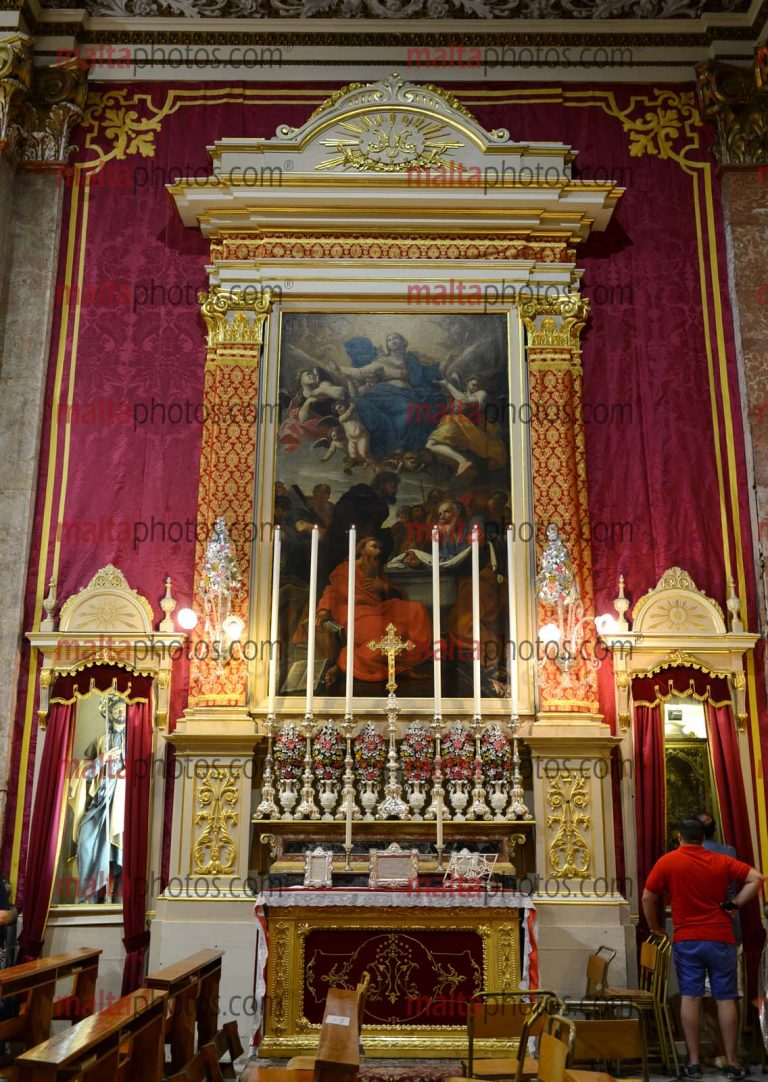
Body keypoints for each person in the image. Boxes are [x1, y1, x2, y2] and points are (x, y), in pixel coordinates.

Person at [642, 816, 763, 1080]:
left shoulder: (668, 861)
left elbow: (648, 896)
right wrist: (734, 904)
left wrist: (655, 928)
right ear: (703, 838)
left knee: (691, 998)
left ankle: (694, 1062)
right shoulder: (722, 860)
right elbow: (756, 878)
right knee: (725, 998)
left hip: (687, 939)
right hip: (721, 938)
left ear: (679, 837)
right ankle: (733, 1062)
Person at [316, 536, 432, 685]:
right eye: (374, 546)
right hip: (354, 612)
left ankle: (413, 651)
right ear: (361, 549)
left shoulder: (376, 570)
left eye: (379, 548)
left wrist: (383, 587)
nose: (378, 551)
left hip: (377, 609)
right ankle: (344, 665)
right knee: (390, 633)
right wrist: (323, 611)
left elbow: (395, 592)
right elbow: (331, 591)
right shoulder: (345, 569)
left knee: (417, 609)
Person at [693, 810, 742, 1068]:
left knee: (706, 997)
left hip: (697, 932)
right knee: (729, 994)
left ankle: (717, 1052)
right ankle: (734, 1054)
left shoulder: (686, 856)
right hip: (727, 930)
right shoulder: (729, 852)